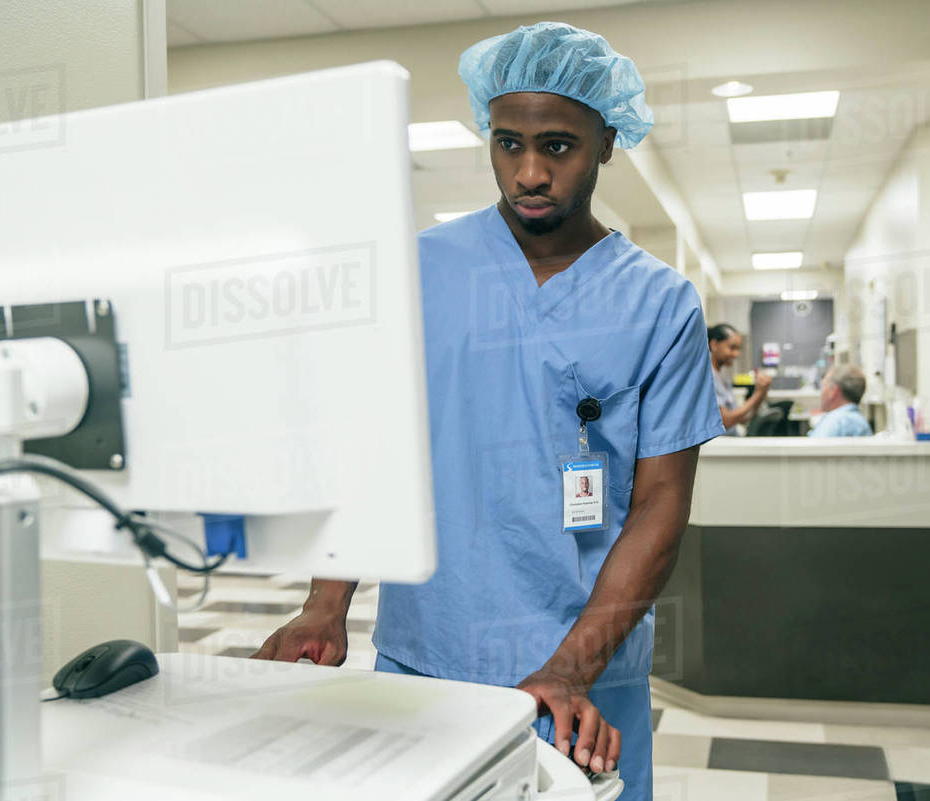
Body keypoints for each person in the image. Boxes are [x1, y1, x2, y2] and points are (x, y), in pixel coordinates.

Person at [251, 22, 724, 801]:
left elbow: (661, 504)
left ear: (607, 141)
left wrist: (572, 666)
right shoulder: (419, 270)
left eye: (559, 147)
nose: (529, 171)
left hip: (582, 674)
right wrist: (324, 603)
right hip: (428, 654)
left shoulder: (659, 303)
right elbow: (373, 447)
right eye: (507, 143)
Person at [708, 323, 772, 432]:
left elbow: (743, 419)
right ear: (714, 345)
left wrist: (761, 393)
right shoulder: (708, 379)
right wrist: (757, 394)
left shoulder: (723, 379)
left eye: (738, 349)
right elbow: (725, 422)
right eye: (732, 348)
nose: (737, 354)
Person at [808, 364, 873, 437]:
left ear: (833, 391)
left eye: (824, 385)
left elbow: (815, 447)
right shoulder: (861, 422)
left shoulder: (836, 421)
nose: (822, 392)